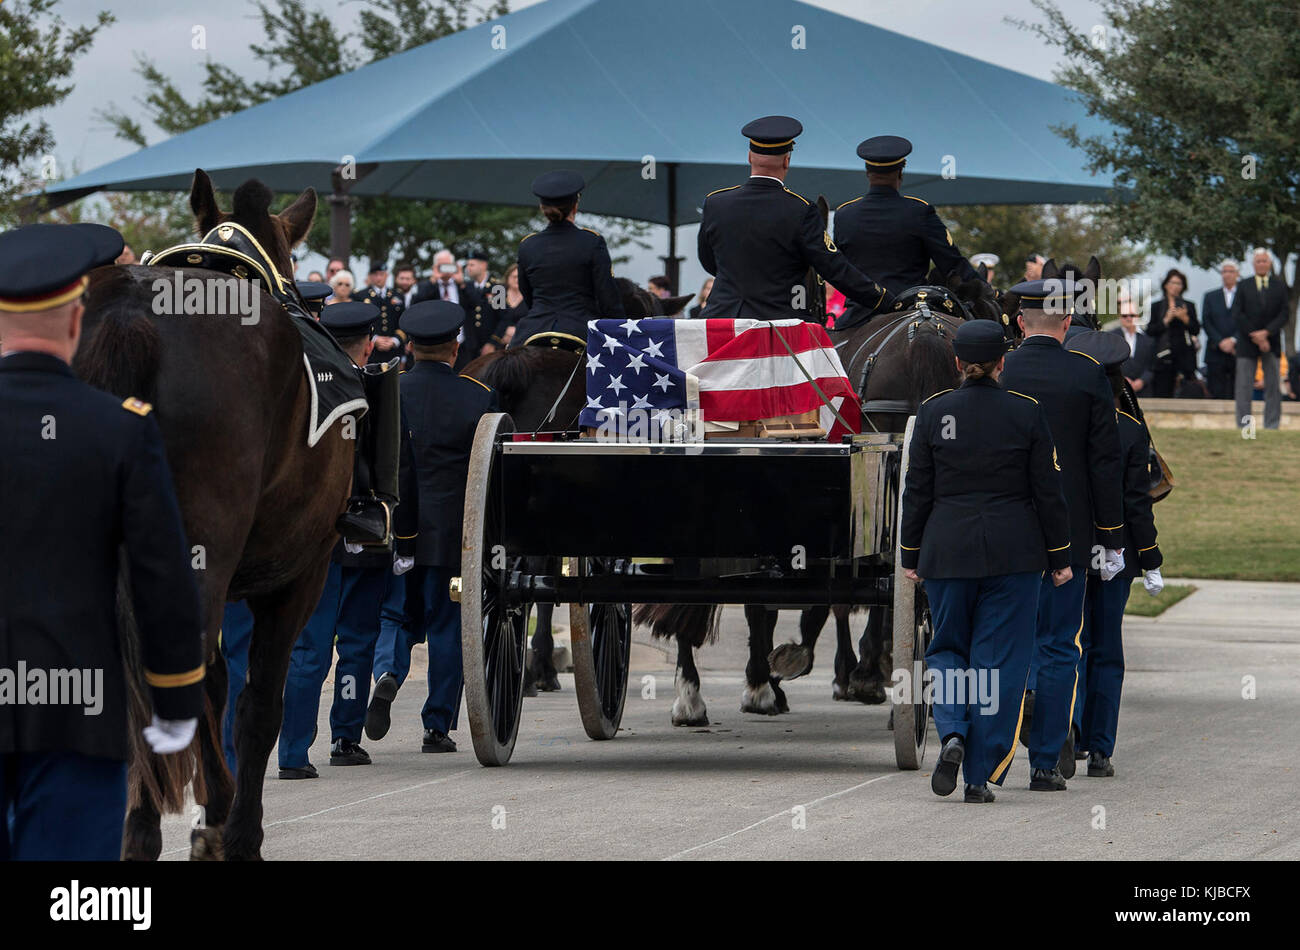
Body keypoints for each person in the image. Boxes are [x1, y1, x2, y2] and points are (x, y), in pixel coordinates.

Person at [0, 222, 205, 859]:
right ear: (74, 323)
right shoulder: (120, 432)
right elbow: (161, 577)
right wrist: (174, 698)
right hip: (79, 712)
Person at [901, 321, 1071, 804]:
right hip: (1013, 554)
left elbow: (918, 492)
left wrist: (911, 554)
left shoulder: (934, 413)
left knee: (949, 647)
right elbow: (1048, 492)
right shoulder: (1027, 413)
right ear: (1003, 363)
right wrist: (1059, 556)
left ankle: (953, 730)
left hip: (947, 550)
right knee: (998, 662)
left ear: (956, 363)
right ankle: (978, 773)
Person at [277, 301, 415, 778]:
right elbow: (396, 466)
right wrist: (406, 538)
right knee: (356, 644)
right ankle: (344, 738)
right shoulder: (371, 386)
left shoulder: (300, 386)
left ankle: (293, 751)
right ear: (371, 342)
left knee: (309, 648)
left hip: (311, 537)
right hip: (364, 532)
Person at [1000, 278, 1124, 792]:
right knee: (1057, 646)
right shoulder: (1087, 374)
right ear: (1068, 323)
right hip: (1068, 537)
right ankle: (1046, 763)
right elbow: (1104, 464)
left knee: (1006, 644)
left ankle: (992, 761)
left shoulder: (1000, 371)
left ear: (1021, 323)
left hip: (1005, 532)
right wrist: (1112, 534)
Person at [366, 300, 498, 754]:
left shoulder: (389, 391)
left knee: (394, 616)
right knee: (446, 627)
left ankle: (387, 672)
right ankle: (436, 726)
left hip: (394, 531)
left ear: (408, 346)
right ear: (455, 347)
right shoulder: (477, 397)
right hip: (450, 537)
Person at [1065, 330, 1163, 780]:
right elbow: (1137, 503)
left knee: (1068, 643)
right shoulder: (1130, 429)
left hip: (1069, 550)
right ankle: (1100, 747)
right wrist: (1151, 556)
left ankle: (1068, 730)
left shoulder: (1058, 423)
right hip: (1117, 553)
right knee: (1106, 648)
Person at [700, 117, 894, 324]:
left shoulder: (715, 203)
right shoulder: (801, 209)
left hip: (719, 323)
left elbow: (708, 261)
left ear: (749, 157)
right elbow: (835, 268)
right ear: (786, 160)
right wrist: (886, 299)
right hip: (779, 326)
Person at [831, 134, 979, 316]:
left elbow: (838, 268)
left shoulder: (844, 215)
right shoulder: (919, 212)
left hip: (858, 316)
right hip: (910, 311)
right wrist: (989, 291)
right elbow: (953, 266)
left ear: (868, 172)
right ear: (900, 172)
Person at [509, 171, 625, 349]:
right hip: (581, 328)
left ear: (542, 208)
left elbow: (528, 295)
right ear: (575, 206)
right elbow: (608, 298)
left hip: (533, 328)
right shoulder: (592, 242)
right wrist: (622, 332)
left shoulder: (528, 245)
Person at [1232, 247, 1288, 430]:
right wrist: (1256, 335)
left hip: (1271, 343)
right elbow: (1237, 313)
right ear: (1253, 264)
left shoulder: (1279, 286)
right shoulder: (1243, 285)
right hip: (1247, 343)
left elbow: (1284, 314)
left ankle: (1272, 425)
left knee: (1273, 386)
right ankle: (1245, 427)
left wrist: (1266, 333)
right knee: (1243, 387)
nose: (1262, 264)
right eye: (1258, 261)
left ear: (1269, 263)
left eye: (1264, 261)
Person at [1146, 268, 1200, 396]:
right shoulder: (1157, 306)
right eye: (1172, 283)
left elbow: (1196, 330)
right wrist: (1166, 320)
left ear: (1183, 286)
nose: (1175, 287)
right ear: (1165, 285)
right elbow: (1150, 331)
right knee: (1162, 392)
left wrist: (1185, 319)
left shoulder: (1189, 305)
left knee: (1187, 393)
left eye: (1179, 283)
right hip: (1163, 356)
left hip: (1185, 357)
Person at [353, 260, 407, 366]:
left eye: (381, 274)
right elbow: (359, 323)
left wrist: (395, 340)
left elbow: (403, 322)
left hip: (394, 351)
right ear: (370, 276)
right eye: (375, 275)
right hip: (370, 351)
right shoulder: (360, 296)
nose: (379, 278)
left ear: (386, 275)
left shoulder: (398, 296)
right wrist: (374, 338)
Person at [1202, 260, 1239, 399]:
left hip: (1238, 352)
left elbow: (1249, 320)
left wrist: (1234, 340)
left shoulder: (1245, 295)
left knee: (1237, 393)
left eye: (1230, 271)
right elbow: (1206, 322)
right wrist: (1220, 342)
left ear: (1237, 274)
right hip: (1215, 352)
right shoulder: (1210, 296)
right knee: (1216, 392)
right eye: (1224, 271)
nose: (1227, 274)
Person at [1108, 290, 1155, 393]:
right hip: (1119, 391)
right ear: (1120, 317)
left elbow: (1152, 366)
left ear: (1137, 316)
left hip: (1144, 391)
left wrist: (1142, 381)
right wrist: (1122, 379)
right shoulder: (1111, 337)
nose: (1129, 318)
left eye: (1132, 315)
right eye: (1125, 315)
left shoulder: (1148, 339)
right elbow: (1108, 363)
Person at [498, 263, 528, 345]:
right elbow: (493, 318)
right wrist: (502, 333)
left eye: (519, 277)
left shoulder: (529, 296)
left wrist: (517, 331)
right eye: (514, 277)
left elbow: (532, 320)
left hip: (522, 341)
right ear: (507, 278)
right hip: (498, 340)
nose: (517, 280)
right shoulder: (500, 293)